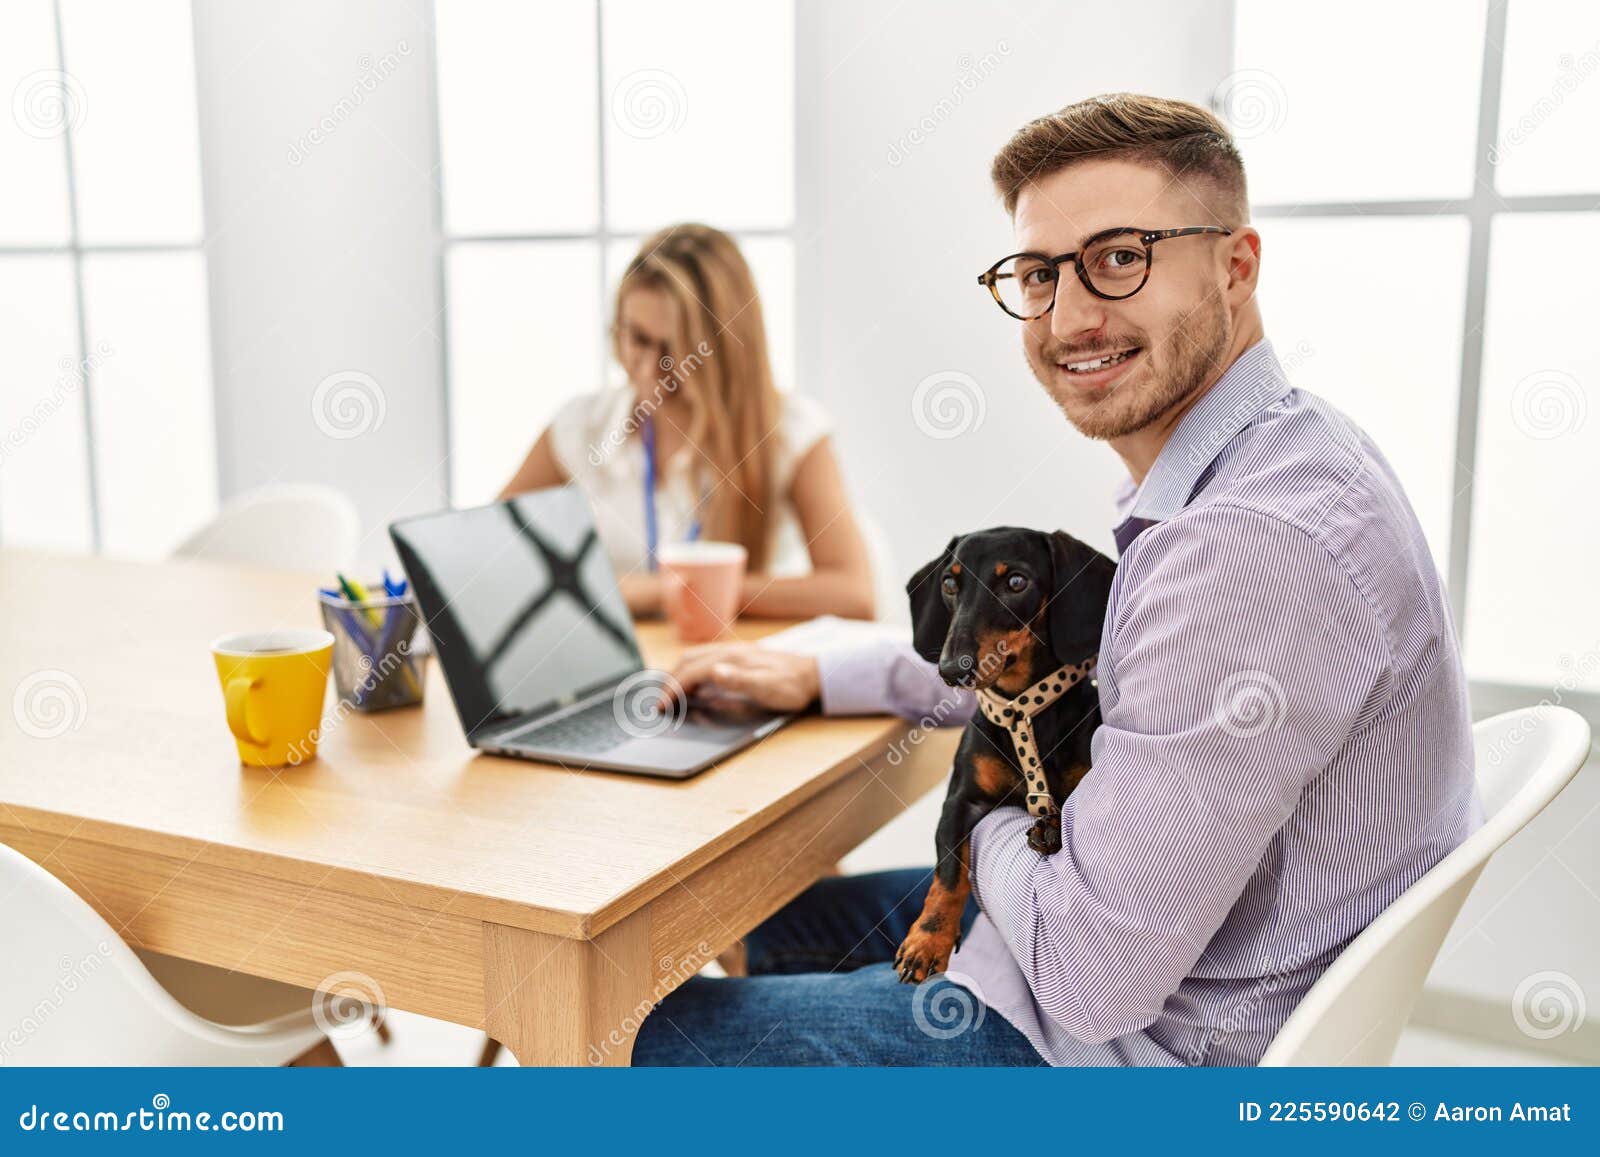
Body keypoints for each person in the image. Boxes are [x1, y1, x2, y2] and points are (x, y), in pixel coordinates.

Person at [630, 94, 1482, 1066]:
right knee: (753, 915)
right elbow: (1073, 663)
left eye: (1120, 257)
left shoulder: (1246, 544)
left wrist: (986, 810)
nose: (1070, 316)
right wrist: (829, 674)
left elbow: (1088, 975)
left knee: (609, 1028)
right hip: (1152, 959)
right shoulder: (1282, 456)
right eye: (1039, 274)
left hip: (1105, 1050)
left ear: (1234, 266)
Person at [498, 223, 875, 622]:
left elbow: (854, 594)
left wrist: (673, 591)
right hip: (633, 674)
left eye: (679, 349)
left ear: (729, 347)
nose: (653, 371)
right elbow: (485, 556)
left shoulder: (791, 430)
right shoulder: (581, 428)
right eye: (639, 340)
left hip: (737, 667)